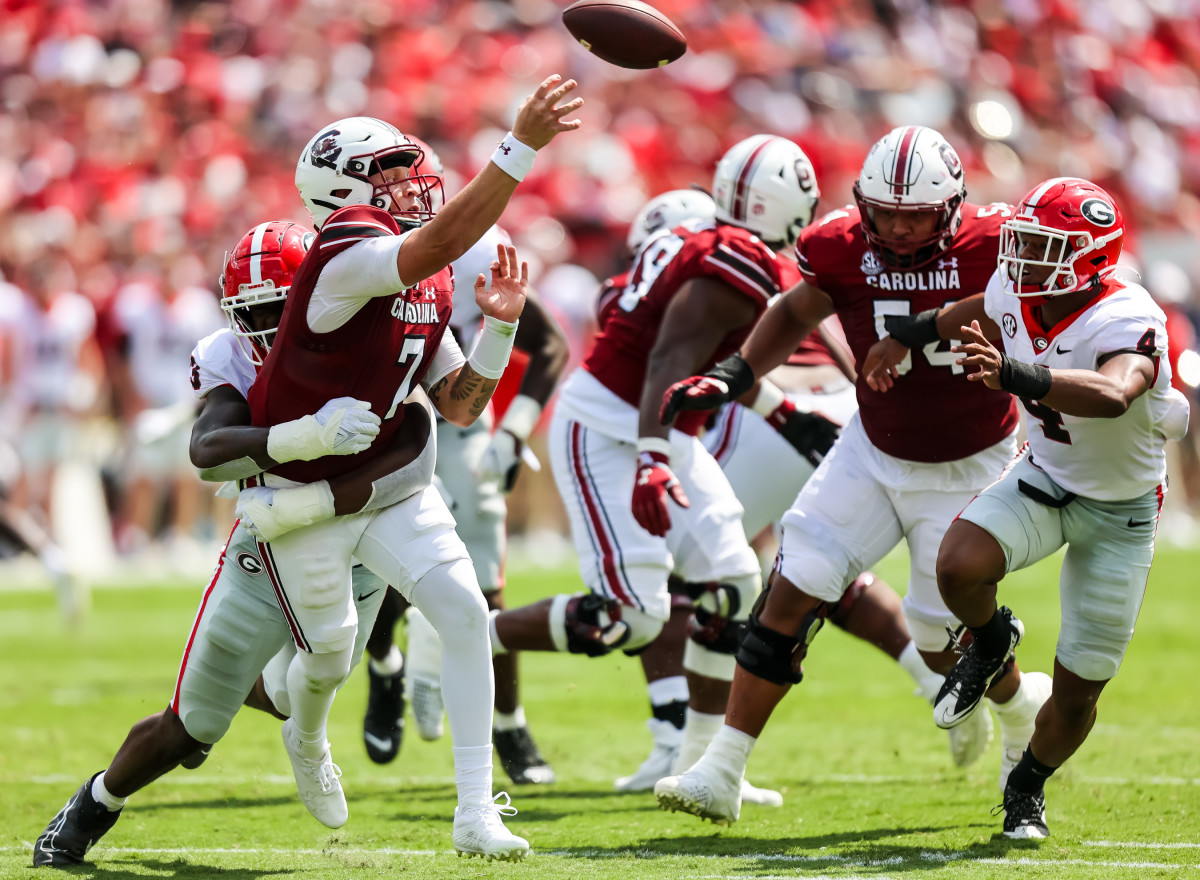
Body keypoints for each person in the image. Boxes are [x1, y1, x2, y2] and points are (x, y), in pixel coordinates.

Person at [654, 126, 1051, 826]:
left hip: (969, 464)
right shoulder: (840, 244)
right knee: (792, 586)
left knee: (941, 641)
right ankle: (721, 769)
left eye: (916, 214)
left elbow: (1021, 302)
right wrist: (735, 373)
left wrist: (917, 331)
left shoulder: (996, 243)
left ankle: (1019, 704)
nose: (897, 228)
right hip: (870, 449)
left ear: (952, 206)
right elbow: (798, 308)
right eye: (885, 212)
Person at [235, 76, 580, 860]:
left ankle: (474, 812)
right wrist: (519, 143)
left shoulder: (420, 276)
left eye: (404, 168)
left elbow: (458, 404)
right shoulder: (344, 252)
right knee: (304, 672)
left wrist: (499, 331)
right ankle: (307, 734)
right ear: (344, 191)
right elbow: (436, 243)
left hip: (387, 485)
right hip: (305, 495)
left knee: (463, 611)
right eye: (386, 173)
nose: (408, 182)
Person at [31, 220, 435, 869]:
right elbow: (206, 448)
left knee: (301, 686)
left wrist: (326, 492)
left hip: (350, 540)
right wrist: (301, 437)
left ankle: (381, 678)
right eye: (252, 313)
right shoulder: (231, 352)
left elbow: (420, 438)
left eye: (279, 306)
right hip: (264, 544)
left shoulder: (371, 334)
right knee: (193, 722)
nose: (266, 327)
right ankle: (89, 807)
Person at [483, 135, 827, 807]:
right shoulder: (732, 262)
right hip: (614, 431)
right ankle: (471, 632)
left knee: (732, 578)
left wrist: (784, 415)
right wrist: (651, 459)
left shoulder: (707, 243)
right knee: (632, 617)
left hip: (655, 425)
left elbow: (701, 360)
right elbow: (672, 361)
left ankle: (701, 769)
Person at [877, 178, 1188, 838]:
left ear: (1093, 257)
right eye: (1026, 241)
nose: (1026, 258)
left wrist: (1016, 375)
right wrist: (911, 332)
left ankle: (1027, 785)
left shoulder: (1127, 315)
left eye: (1046, 246)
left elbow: (1112, 392)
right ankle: (993, 641)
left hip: (1120, 511)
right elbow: (979, 309)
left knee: (1079, 690)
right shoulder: (1018, 289)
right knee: (956, 567)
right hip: (1045, 475)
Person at [363, 138, 570, 785]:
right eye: (385, 183)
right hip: (373, 422)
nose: (404, 197)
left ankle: (508, 722)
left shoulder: (475, 244)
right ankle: (385, 665)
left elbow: (550, 344)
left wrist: (512, 432)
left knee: (483, 564)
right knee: (372, 572)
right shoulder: (345, 249)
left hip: (454, 418)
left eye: (411, 181)